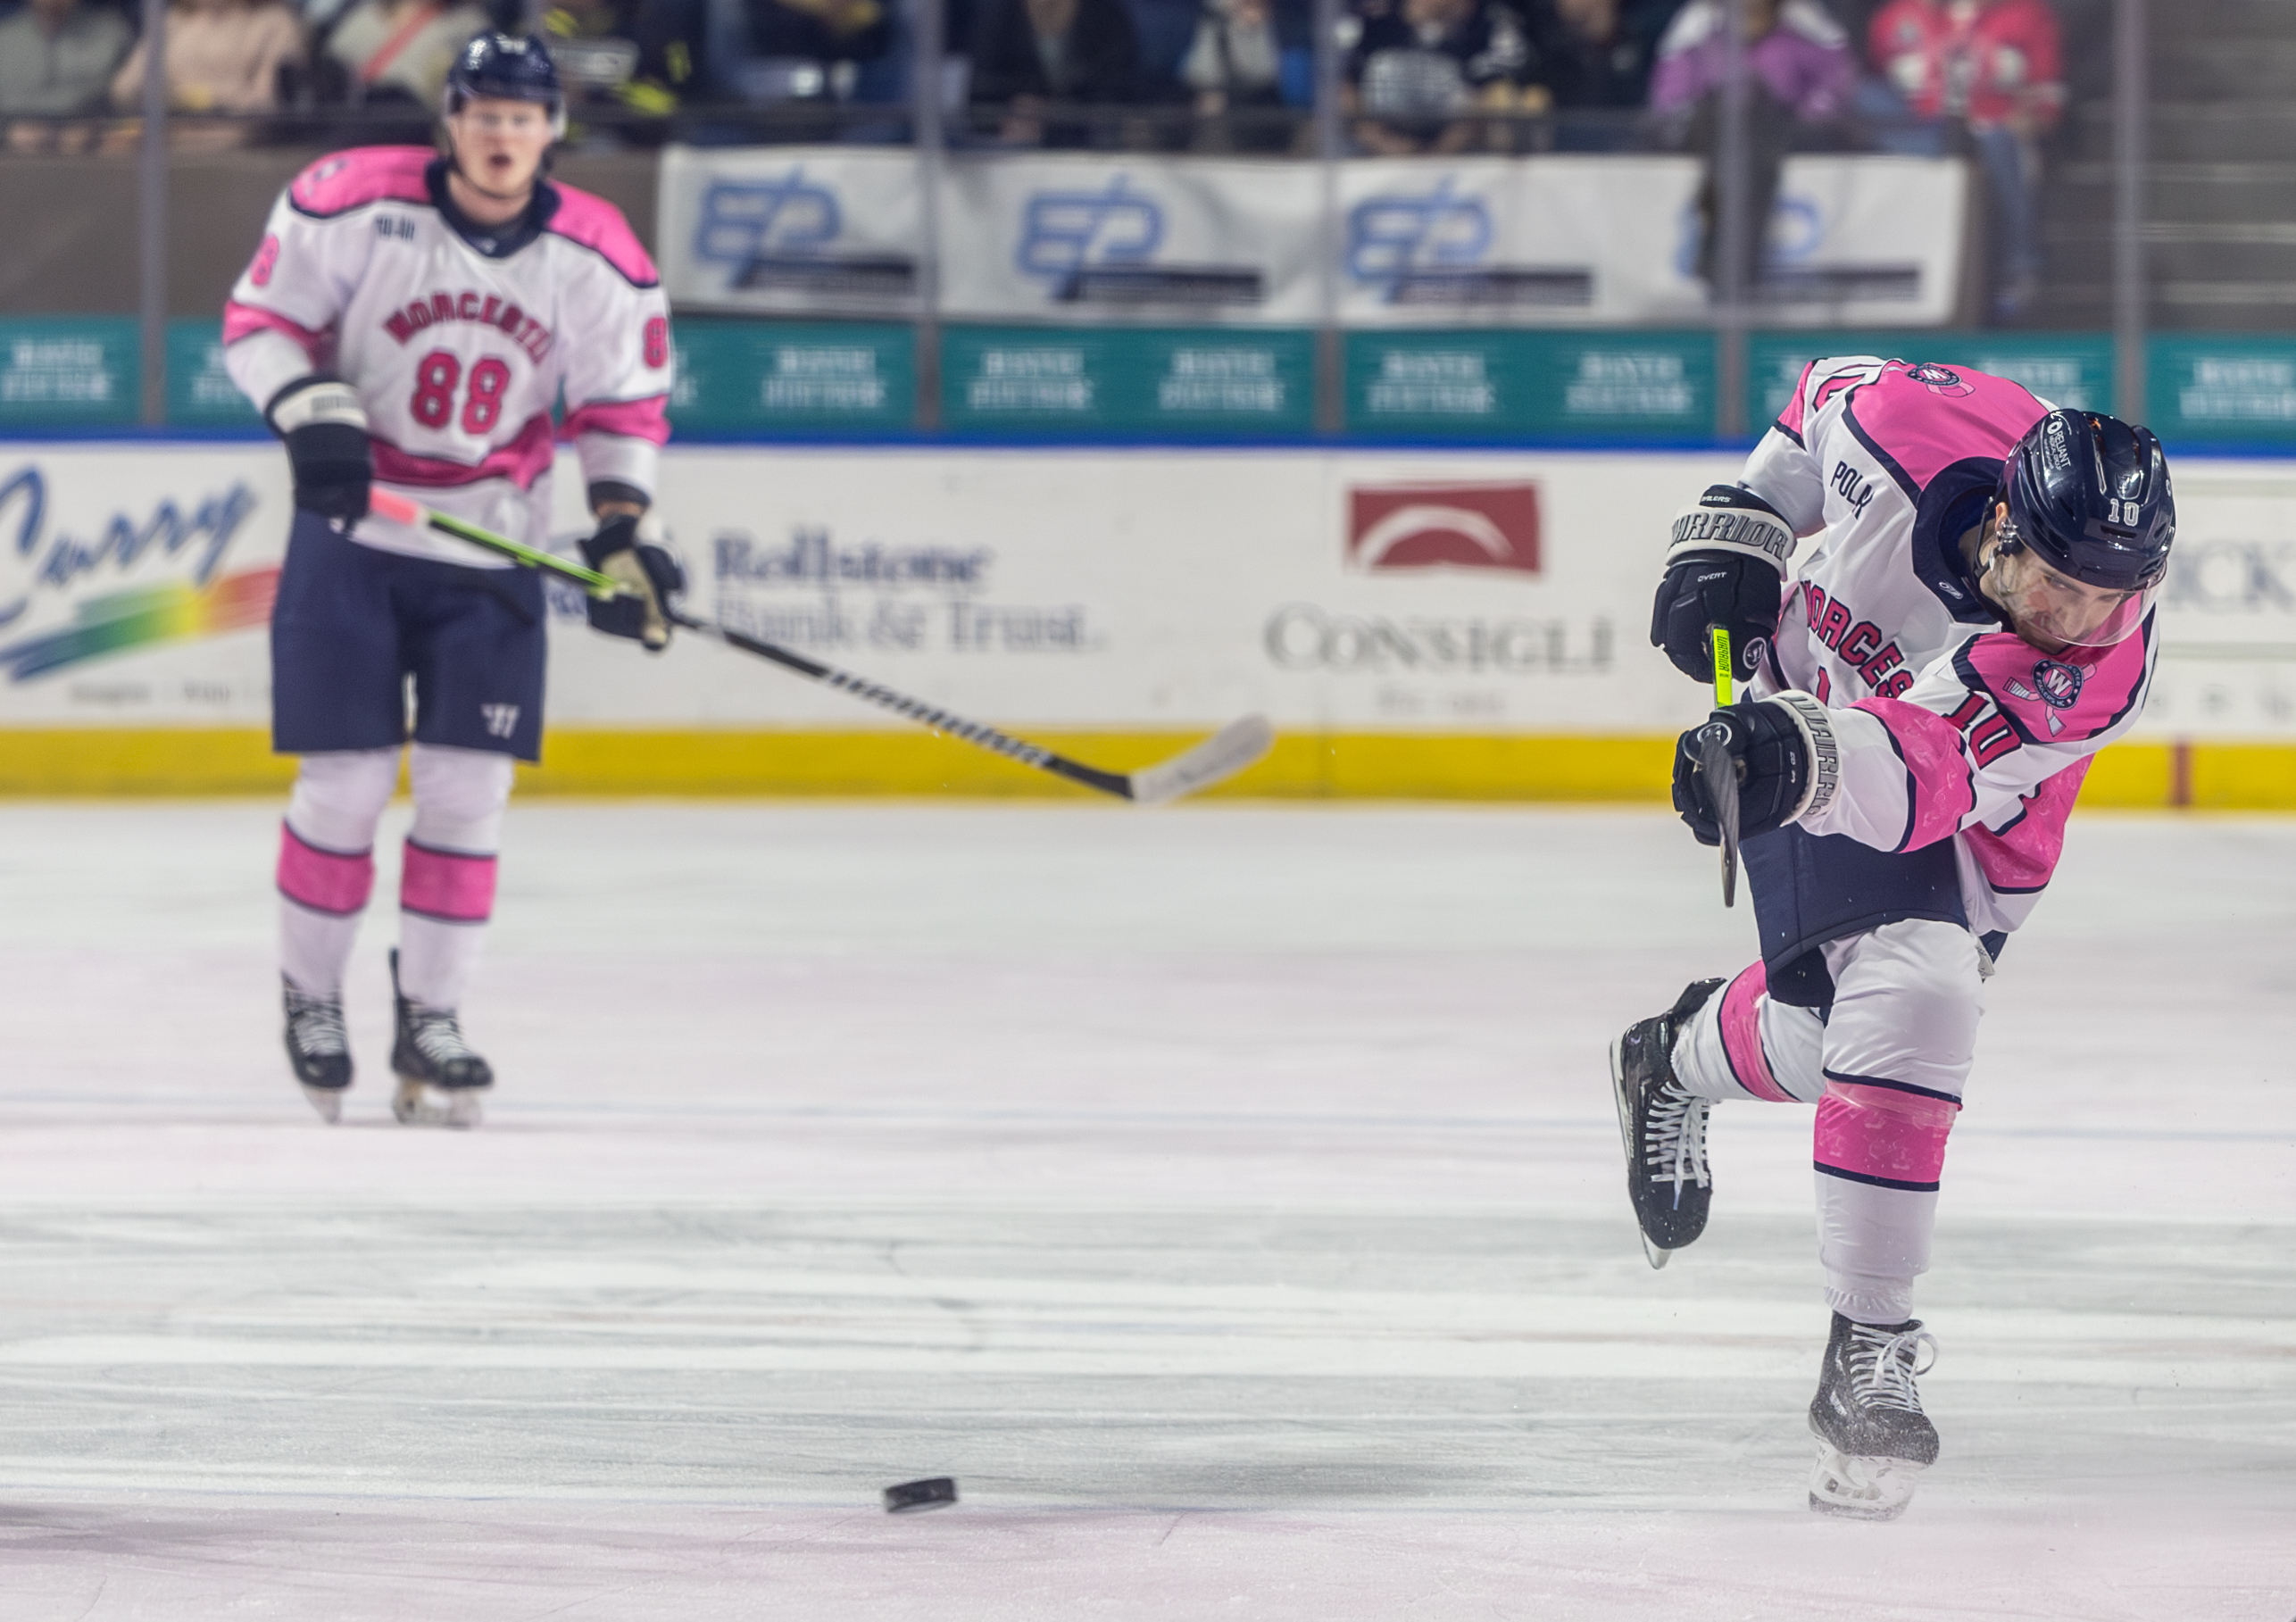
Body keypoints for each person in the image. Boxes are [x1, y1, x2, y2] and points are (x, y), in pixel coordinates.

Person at [1611, 358, 2174, 1520]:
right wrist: (1746, 519)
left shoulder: (2095, 666)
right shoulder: (1913, 415)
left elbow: (1925, 768)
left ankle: (1673, 1055)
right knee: (1916, 991)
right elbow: (1816, 397)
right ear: (2006, 520)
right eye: (2058, 582)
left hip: (1950, 821)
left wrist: (1791, 757)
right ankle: (1868, 1349)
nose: (2076, 619)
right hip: (1797, 702)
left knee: (1832, 1042)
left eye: (2108, 597)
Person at [222, 33, 679, 1127]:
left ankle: (432, 1018)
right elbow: (260, 325)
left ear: (553, 130)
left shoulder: (597, 253)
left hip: (492, 546)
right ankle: (313, 999)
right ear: (451, 122)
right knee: (345, 782)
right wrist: (308, 409)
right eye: (482, 115)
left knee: (469, 791)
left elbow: (620, 407)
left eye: (522, 118)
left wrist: (624, 527)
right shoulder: (352, 202)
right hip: (355, 534)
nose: (501, 136)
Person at [1865, 0, 2065, 322]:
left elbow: (2046, 93)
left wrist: (2031, 119)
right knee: (1861, 98)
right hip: (1922, 134)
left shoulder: (2027, 14)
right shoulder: (1899, 16)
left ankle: (2019, 269)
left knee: (1998, 142)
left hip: (1995, 131)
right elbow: (1879, 83)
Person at [1647, 0, 1854, 295]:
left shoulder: (1804, 21)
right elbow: (1669, 100)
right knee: (1732, 116)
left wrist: (1800, 118)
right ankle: (1733, 268)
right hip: (1708, 131)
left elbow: (1835, 87)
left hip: (1782, 132)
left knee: (1755, 115)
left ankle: (1725, 261)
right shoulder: (1698, 22)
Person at [1343, 0, 1538, 156]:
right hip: (1373, 153)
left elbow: (1494, 94)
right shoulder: (1375, 20)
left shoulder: (1487, 25)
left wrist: (1439, 152)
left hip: (1460, 157)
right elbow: (1344, 88)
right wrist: (1382, 144)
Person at [109, 0, 307, 142]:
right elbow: (125, 89)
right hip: (168, 146)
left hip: (239, 151)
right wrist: (172, 101)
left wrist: (206, 99)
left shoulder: (275, 22)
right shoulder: (174, 21)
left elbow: (268, 106)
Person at [966, 0, 1142, 146]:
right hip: (1014, 156)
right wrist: (1008, 117)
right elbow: (979, 103)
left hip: (1092, 152)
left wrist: (1052, 113)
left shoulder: (1109, 18)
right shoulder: (997, 19)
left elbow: (1121, 97)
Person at [323, 0, 490, 111]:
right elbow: (331, 66)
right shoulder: (366, 14)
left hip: (412, 122)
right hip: (348, 114)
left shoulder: (467, 25)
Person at [0, 0, 135, 120]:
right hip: (13, 133)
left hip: (92, 130)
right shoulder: (4, 39)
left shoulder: (113, 34)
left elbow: (121, 98)